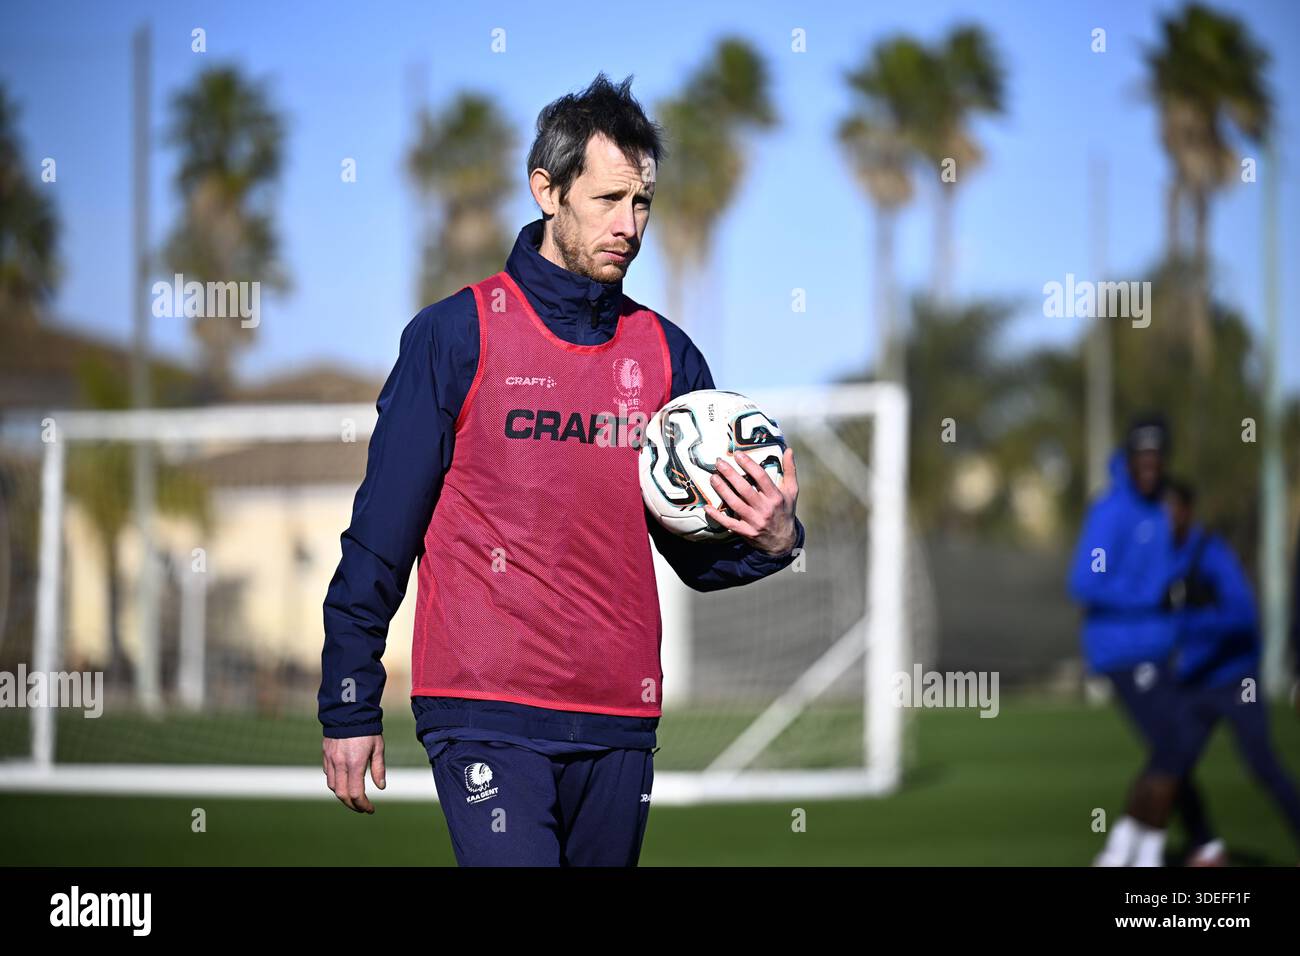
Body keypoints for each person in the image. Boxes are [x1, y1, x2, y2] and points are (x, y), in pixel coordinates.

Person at [317, 73, 804, 866]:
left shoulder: (669, 357)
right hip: (483, 709)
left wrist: (774, 537)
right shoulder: (455, 336)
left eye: (642, 202)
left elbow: (694, 552)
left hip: (617, 717)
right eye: (608, 199)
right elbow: (380, 535)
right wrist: (348, 697)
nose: (630, 224)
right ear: (547, 189)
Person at [1116, 479, 1300, 864]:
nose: (1163, 520)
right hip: (1195, 684)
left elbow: (1244, 617)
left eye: (1170, 510)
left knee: (1263, 765)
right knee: (1168, 763)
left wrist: (1196, 618)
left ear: (1186, 511)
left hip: (1235, 680)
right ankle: (1147, 849)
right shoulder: (1164, 559)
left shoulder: (1210, 553)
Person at [1069, 417, 1218, 867]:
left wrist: (1184, 591)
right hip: (1120, 650)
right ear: (1129, 461)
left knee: (1175, 748)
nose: (1150, 467)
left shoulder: (1163, 511)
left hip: (1158, 650)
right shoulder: (1110, 512)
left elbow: (1164, 578)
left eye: (1157, 458)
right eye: (1142, 458)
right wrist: (1152, 596)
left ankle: (1141, 847)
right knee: (1175, 743)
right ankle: (1138, 848)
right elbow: (1085, 581)